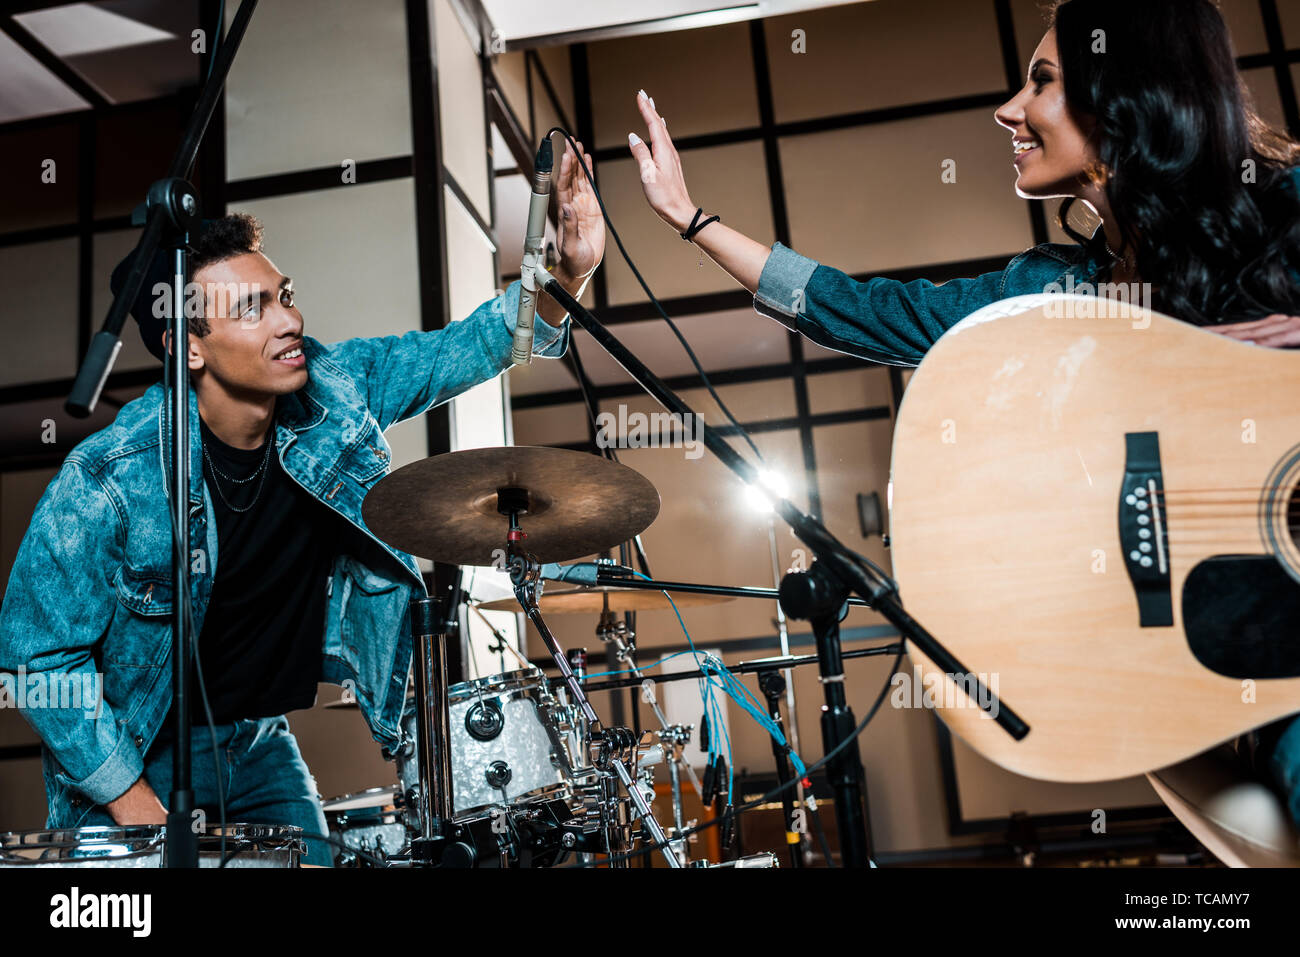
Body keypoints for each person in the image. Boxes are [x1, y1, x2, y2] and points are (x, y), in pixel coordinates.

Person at [625, 0, 1300, 828]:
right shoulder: (1055, 291)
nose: (1008, 108)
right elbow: (866, 309)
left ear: (1125, 100)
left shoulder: (1285, 214)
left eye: (1042, 82)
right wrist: (693, 222)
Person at [0, 140, 603, 867]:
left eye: (284, 294)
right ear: (190, 346)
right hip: (134, 754)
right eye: (253, 308)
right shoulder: (109, 477)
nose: (288, 320)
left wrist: (569, 271)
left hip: (256, 739)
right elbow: (33, 657)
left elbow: (466, 345)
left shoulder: (336, 392)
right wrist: (132, 801)